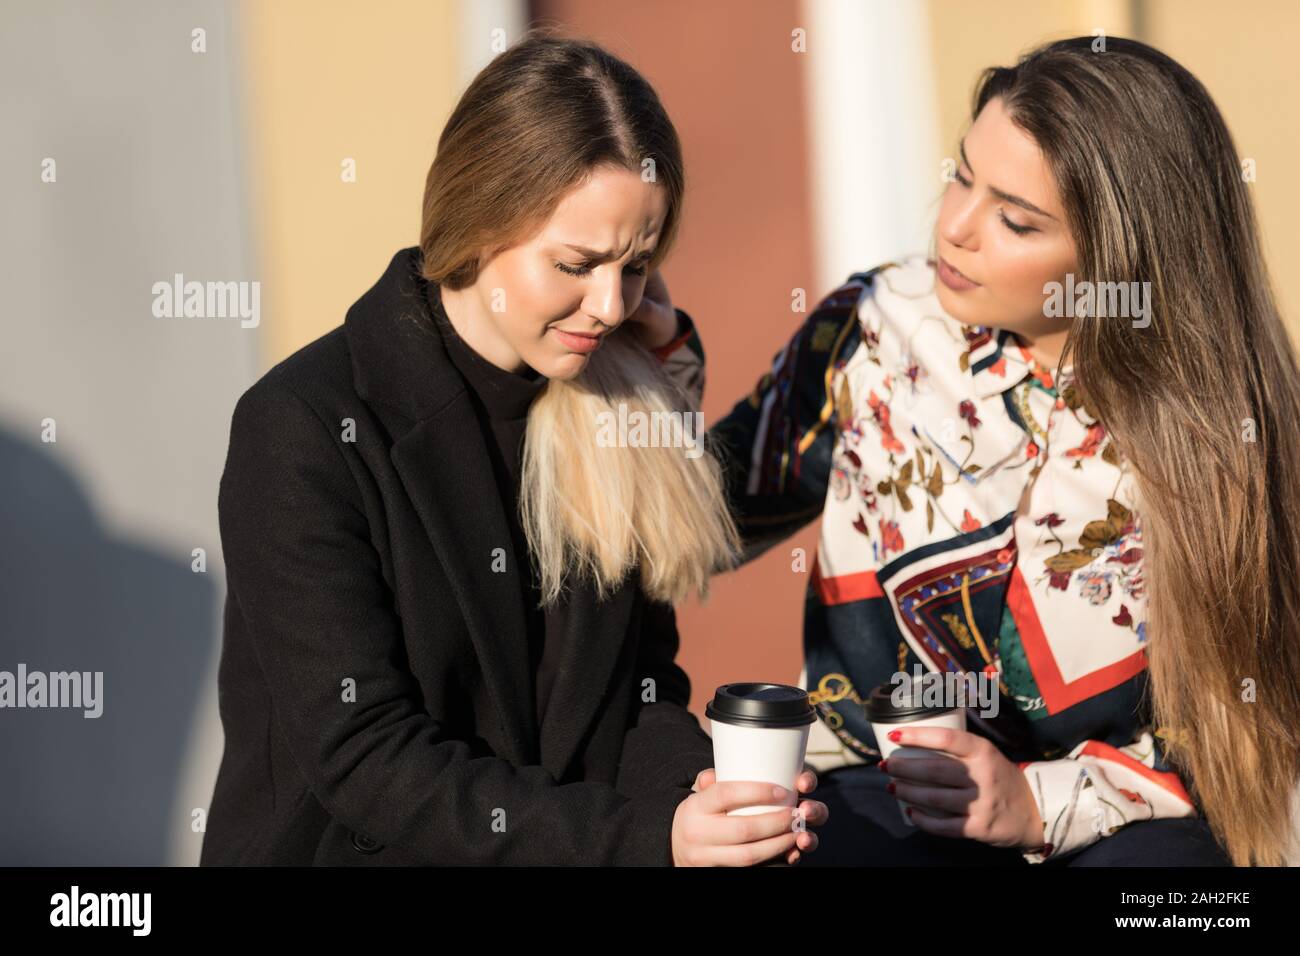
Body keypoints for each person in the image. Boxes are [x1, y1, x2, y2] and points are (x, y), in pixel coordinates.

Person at [201, 30, 828, 867]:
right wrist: (645, 840)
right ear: (478, 219)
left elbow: (643, 687)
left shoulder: (612, 402)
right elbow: (366, 755)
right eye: (576, 263)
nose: (609, 304)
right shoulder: (304, 427)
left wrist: (700, 801)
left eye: (637, 265)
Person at [706, 35, 1300, 866]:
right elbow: (696, 519)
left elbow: (1247, 737)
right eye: (960, 175)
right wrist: (636, 364)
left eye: (1015, 220)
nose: (954, 227)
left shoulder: (1228, 437)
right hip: (873, 796)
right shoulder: (876, 328)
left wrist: (1036, 804)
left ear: (1119, 257)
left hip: (1119, 822)